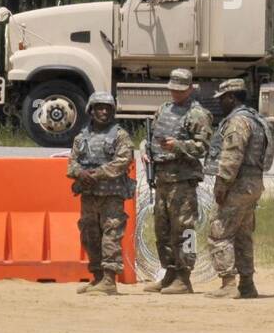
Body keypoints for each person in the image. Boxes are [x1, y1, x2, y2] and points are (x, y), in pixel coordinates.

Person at [143, 68, 212, 294]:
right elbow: (152, 138)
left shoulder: (198, 114)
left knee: (185, 230)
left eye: (180, 90)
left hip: (183, 181)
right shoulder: (163, 110)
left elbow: (203, 147)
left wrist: (179, 146)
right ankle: (169, 273)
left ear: (190, 89)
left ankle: (184, 277)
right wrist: (146, 151)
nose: (175, 93)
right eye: (172, 88)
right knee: (162, 230)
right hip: (162, 179)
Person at [205, 78, 274, 299]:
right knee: (243, 234)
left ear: (231, 98)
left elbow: (232, 155)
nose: (220, 104)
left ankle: (228, 283)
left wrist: (222, 184)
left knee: (220, 231)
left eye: (222, 99)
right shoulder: (256, 120)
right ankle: (247, 284)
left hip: (238, 183)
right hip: (254, 183)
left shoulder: (238, 122)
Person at [67, 91, 135, 295]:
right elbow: (71, 163)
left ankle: (109, 280)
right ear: (91, 110)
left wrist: (95, 174)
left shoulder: (120, 135)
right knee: (90, 235)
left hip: (111, 196)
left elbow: (122, 163)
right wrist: (80, 173)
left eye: (107, 108)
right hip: (89, 195)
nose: (103, 112)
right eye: (99, 108)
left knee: (111, 234)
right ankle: (97, 276)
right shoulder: (82, 137)